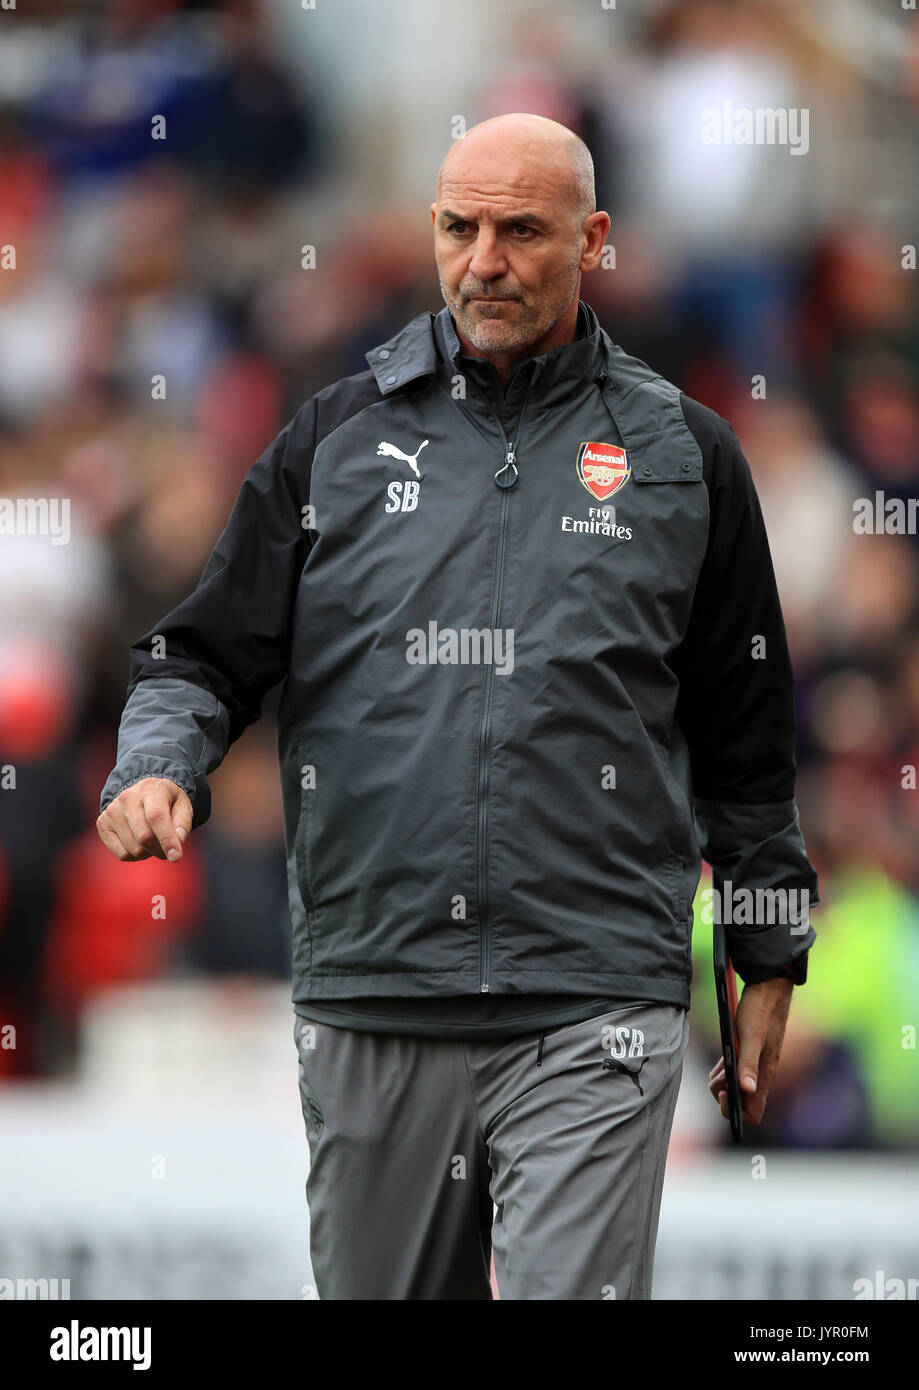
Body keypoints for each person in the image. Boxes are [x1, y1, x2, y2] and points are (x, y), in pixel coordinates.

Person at [97, 113, 819, 1300]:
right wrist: (155, 764)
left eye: (520, 231)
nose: (482, 260)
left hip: (598, 997)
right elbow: (197, 656)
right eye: (456, 227)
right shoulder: (331, 441)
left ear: (592, 239)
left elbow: (749, 746)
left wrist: (768, 953)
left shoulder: (686, 457)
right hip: (376, 985)